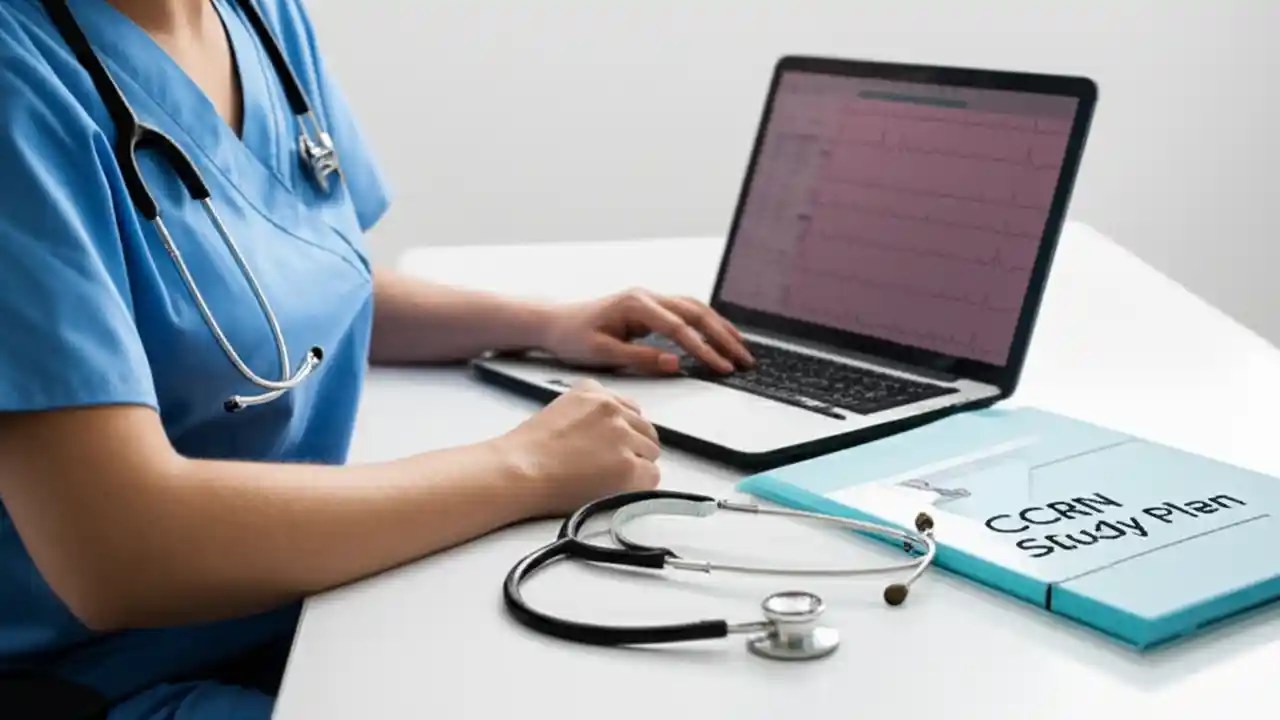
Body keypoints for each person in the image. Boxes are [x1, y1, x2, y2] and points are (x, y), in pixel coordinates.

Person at [0, 0, 754, 717]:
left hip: (294, 604)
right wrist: (522, 469)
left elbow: (280, 291)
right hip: (100, 682)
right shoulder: (19, 85)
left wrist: (546, 324)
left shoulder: (255, 17)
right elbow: (121, 551)